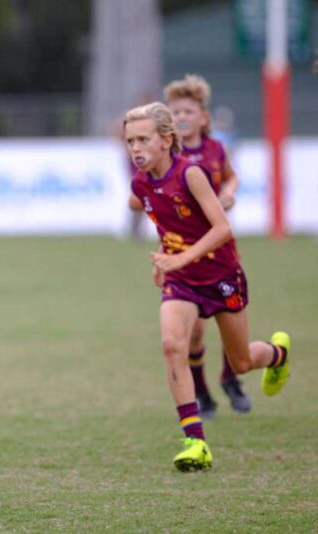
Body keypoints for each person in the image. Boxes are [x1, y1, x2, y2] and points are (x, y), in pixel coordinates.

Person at [124, 102, 291, 472]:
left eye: (143, 139)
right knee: (172, 346)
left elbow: (222, 229)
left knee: (242, 361)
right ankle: (195, 441)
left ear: (167, 139)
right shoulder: (140, 184)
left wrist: (179, 258)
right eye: (130, 141)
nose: (135, 149)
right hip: (182, 282)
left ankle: (276, 355)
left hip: (221, 276)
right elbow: (168, 225)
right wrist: (167, 260)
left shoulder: (192, 173)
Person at [163, 74, 246, 418]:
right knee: (194, 330)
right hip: (181, 256)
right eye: (175, 112)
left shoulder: (215, 150)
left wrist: (228, 192)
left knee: (231, 326)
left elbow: (231, 176)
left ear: (203, 117)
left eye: (187, 111)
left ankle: (231, 378)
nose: (181, 117)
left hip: (219, 250)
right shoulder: (165, 155)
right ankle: (202, 393)